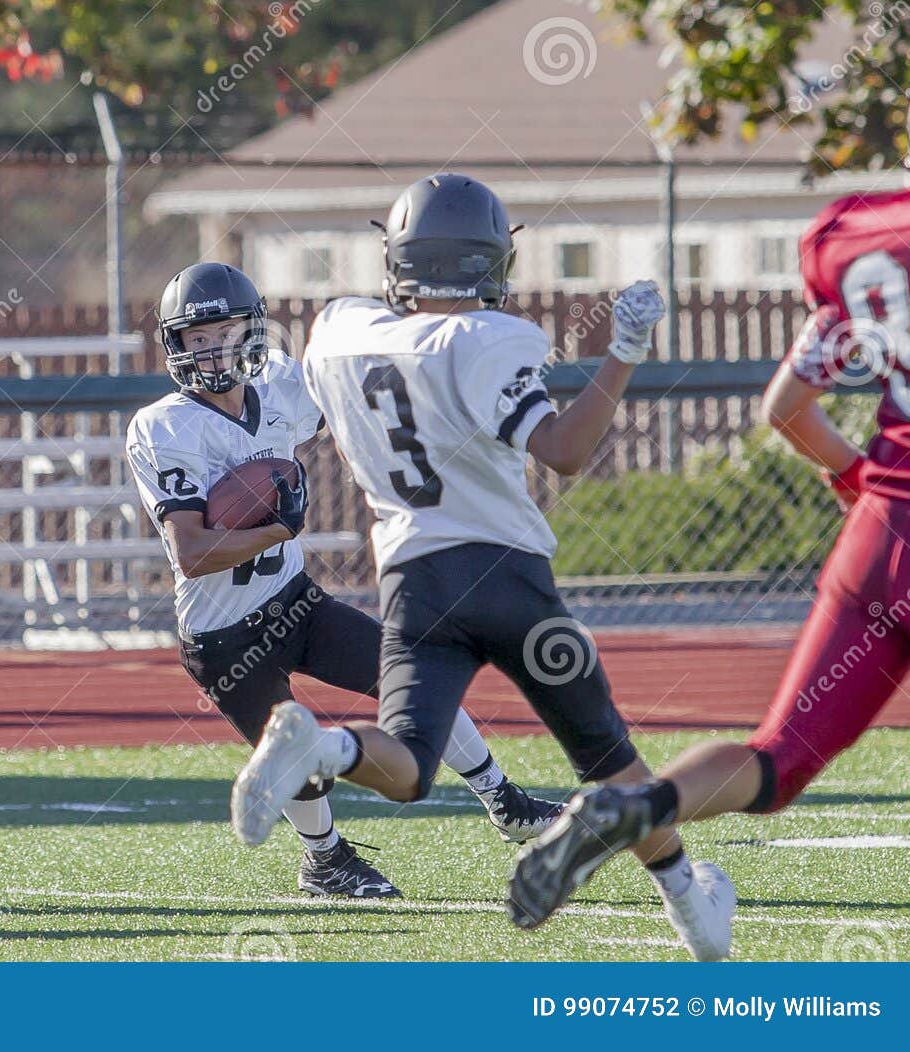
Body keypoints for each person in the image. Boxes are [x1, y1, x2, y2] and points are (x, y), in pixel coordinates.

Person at [227, 173, 735, 961]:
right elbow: (564, 451)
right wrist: (623, 354)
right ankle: (690, 905)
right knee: (613, 764)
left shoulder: (339, 329)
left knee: (405, 767)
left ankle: (322, 750)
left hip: (412, 585)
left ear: (399, 257)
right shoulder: (487, 341)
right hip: (504, 578)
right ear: (491, 262)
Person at [507, 183, 910, 941]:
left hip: (883, 531)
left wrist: (863, 486)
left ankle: (636, 805)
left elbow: (786, 406)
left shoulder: (862, 242)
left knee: (778, 754)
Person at [127, 261, 564, 898]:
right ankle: (325, 860)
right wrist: (279, 528)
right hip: (222, 634)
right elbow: (191, 551)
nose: (215, 349)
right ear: (176, 345)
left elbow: (351, 397)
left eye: (227, 331)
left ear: (254, 333)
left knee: (410, 677)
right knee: (294, 750)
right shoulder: (163, 427)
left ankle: (504, 799)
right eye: (200, 337)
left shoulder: (277, 386)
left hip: (294, 602)